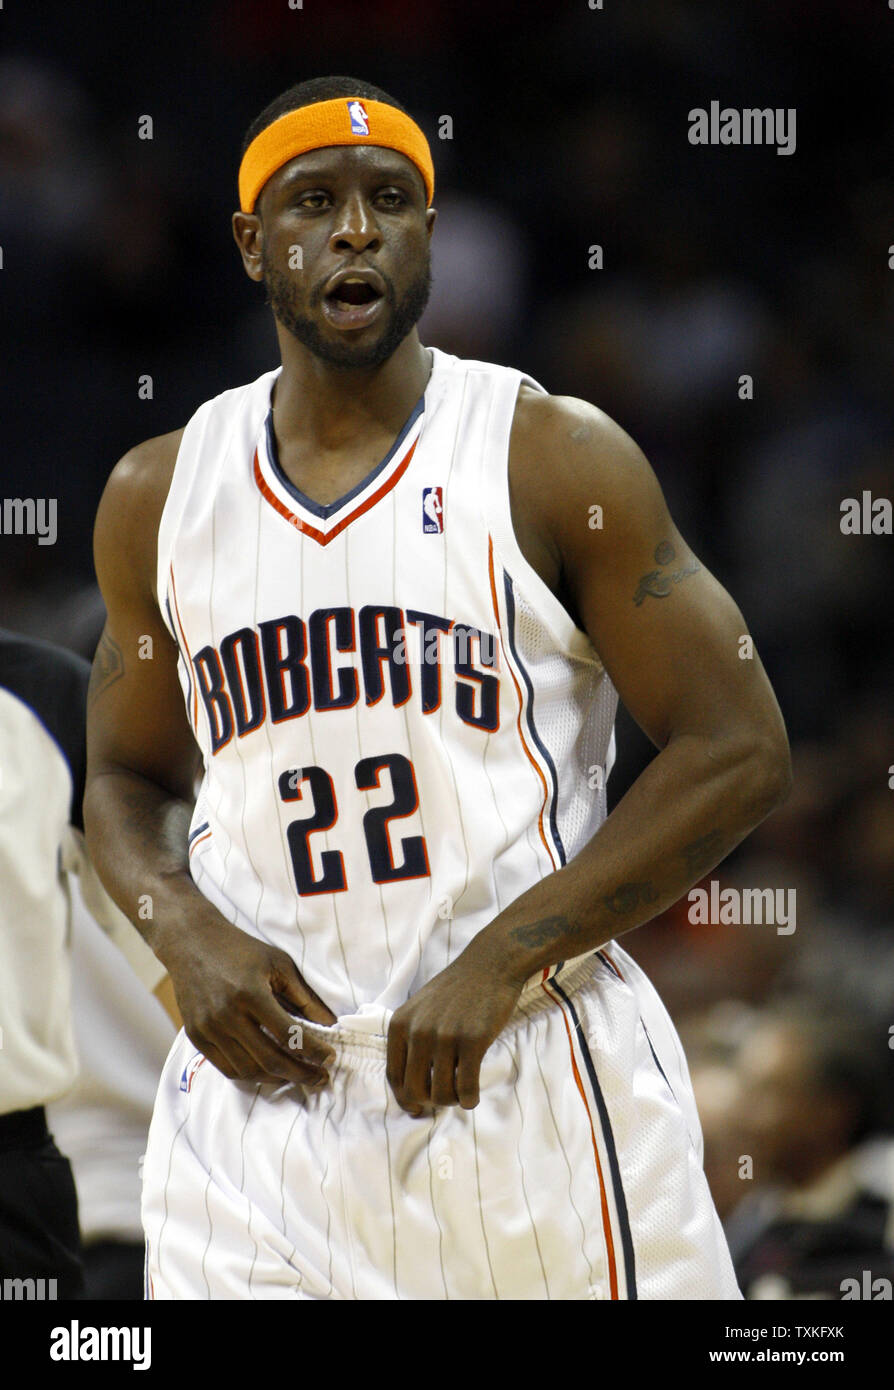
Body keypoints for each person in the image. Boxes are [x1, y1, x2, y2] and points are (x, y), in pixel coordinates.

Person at [84, 75, 792, 1300]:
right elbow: (122, 778)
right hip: (265, 1121)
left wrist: (511, 953)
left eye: (392, 201)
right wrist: (184, 932)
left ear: (429, 230)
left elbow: (738, 747)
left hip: (527, 1081)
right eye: (315, 202)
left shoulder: (550, 452)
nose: (356, 229)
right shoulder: (160, 492)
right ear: (253, 245)